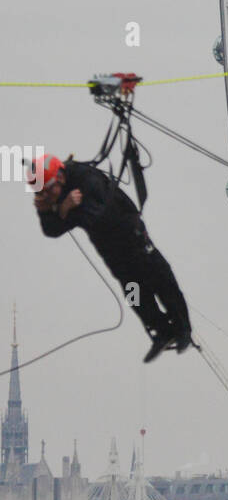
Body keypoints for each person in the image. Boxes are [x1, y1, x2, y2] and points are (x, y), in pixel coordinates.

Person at [28, 153, 192, 363]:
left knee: (160, 279)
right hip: (112, 251)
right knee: (133, 292)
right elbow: (50, 229)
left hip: (130, 236)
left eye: (47, 191)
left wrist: (64, 213)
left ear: (59, 177)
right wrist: (60, 209)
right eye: (41, 194)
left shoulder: (84, 178)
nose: (47, 197)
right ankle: (162, 331)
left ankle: (182, 328)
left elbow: (96, 214)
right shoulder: (55, 200)